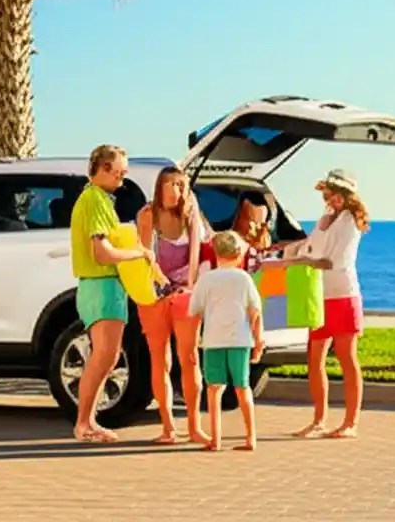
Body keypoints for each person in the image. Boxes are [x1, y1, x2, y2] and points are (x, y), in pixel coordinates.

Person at [263, 169, 368, 440]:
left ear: (346, 195)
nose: (330, 200)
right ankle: (319, 420)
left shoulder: (350, 222)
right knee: (315, 360)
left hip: (343, 296)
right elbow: (312, 248)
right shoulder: (327, 220)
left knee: (347, 359)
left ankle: (350, 422)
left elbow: (333, 262)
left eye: (334, 195)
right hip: (319, 296)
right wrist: (287, 249)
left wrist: (294, 262)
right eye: (327, 195)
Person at [69, 144, 155, 443]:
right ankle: (84, 424)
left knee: (107, 357)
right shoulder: (95, 200)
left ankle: (88, 422)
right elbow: (102, 253)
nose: (123, 176)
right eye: (120, 171)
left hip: (101, 286)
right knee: (104, 356)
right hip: (101, 284)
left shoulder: (96, 199)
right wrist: (139, 253)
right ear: (104, 168)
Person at [134, 165, 210, 445]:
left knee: (189, 357)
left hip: (185, 294)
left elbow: (199, 256)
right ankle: (168, 427)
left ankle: (194, 426)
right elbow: (144, 257)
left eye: (180, 186)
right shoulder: (147, 215)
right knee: (160, 359)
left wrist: (189, 287)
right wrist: (163, 285)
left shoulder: (192, 217)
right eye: (170, 185)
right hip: (155, 295)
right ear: (160, 187)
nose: (175, 191)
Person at [188, 230, 264, 452]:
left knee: (214, 389)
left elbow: (195, 314)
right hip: (240, 340)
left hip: (213, 340)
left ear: (215, 252)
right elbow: (255, 312)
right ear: (239, 254)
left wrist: (192, 343)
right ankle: (251, 437)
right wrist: (258, 340)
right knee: (243, 387)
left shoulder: (206, 279)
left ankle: (216, 439)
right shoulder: (244, 279)